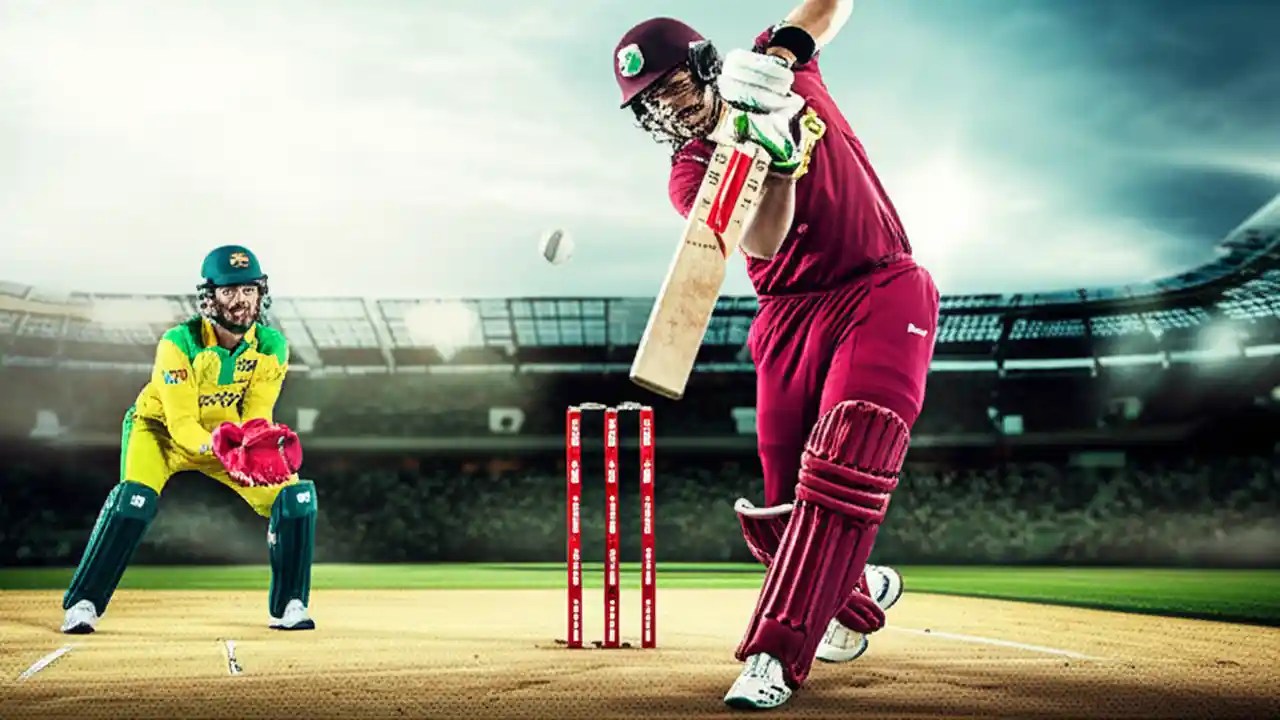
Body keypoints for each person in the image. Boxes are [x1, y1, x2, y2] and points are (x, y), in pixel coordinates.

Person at [613, 0, 940, 710]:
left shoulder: (768, 63)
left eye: (670, 88)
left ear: (703, 66)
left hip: (880, 286)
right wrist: (778, 160)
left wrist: (787, 54)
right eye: (650, 108)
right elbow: (762, 241)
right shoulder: (692, 168)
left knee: (851, 450)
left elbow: (832, 5)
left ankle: (773, 655)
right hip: (787, 315)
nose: (667, 113)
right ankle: (858, 591)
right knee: (785, 512)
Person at [60, 245, 316, 634]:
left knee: (295, 498)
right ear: (208, 298)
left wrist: (253, 445)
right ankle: (83, 603)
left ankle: (289, 606)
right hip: (160, 432)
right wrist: (226, 449)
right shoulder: (178, 343)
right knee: (134, 501)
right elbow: (182, 425)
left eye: (248, 290)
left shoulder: (273, 347)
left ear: (261, 294)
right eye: (229, 291)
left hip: (230, 444)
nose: (240, 301)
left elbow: (256, 417)